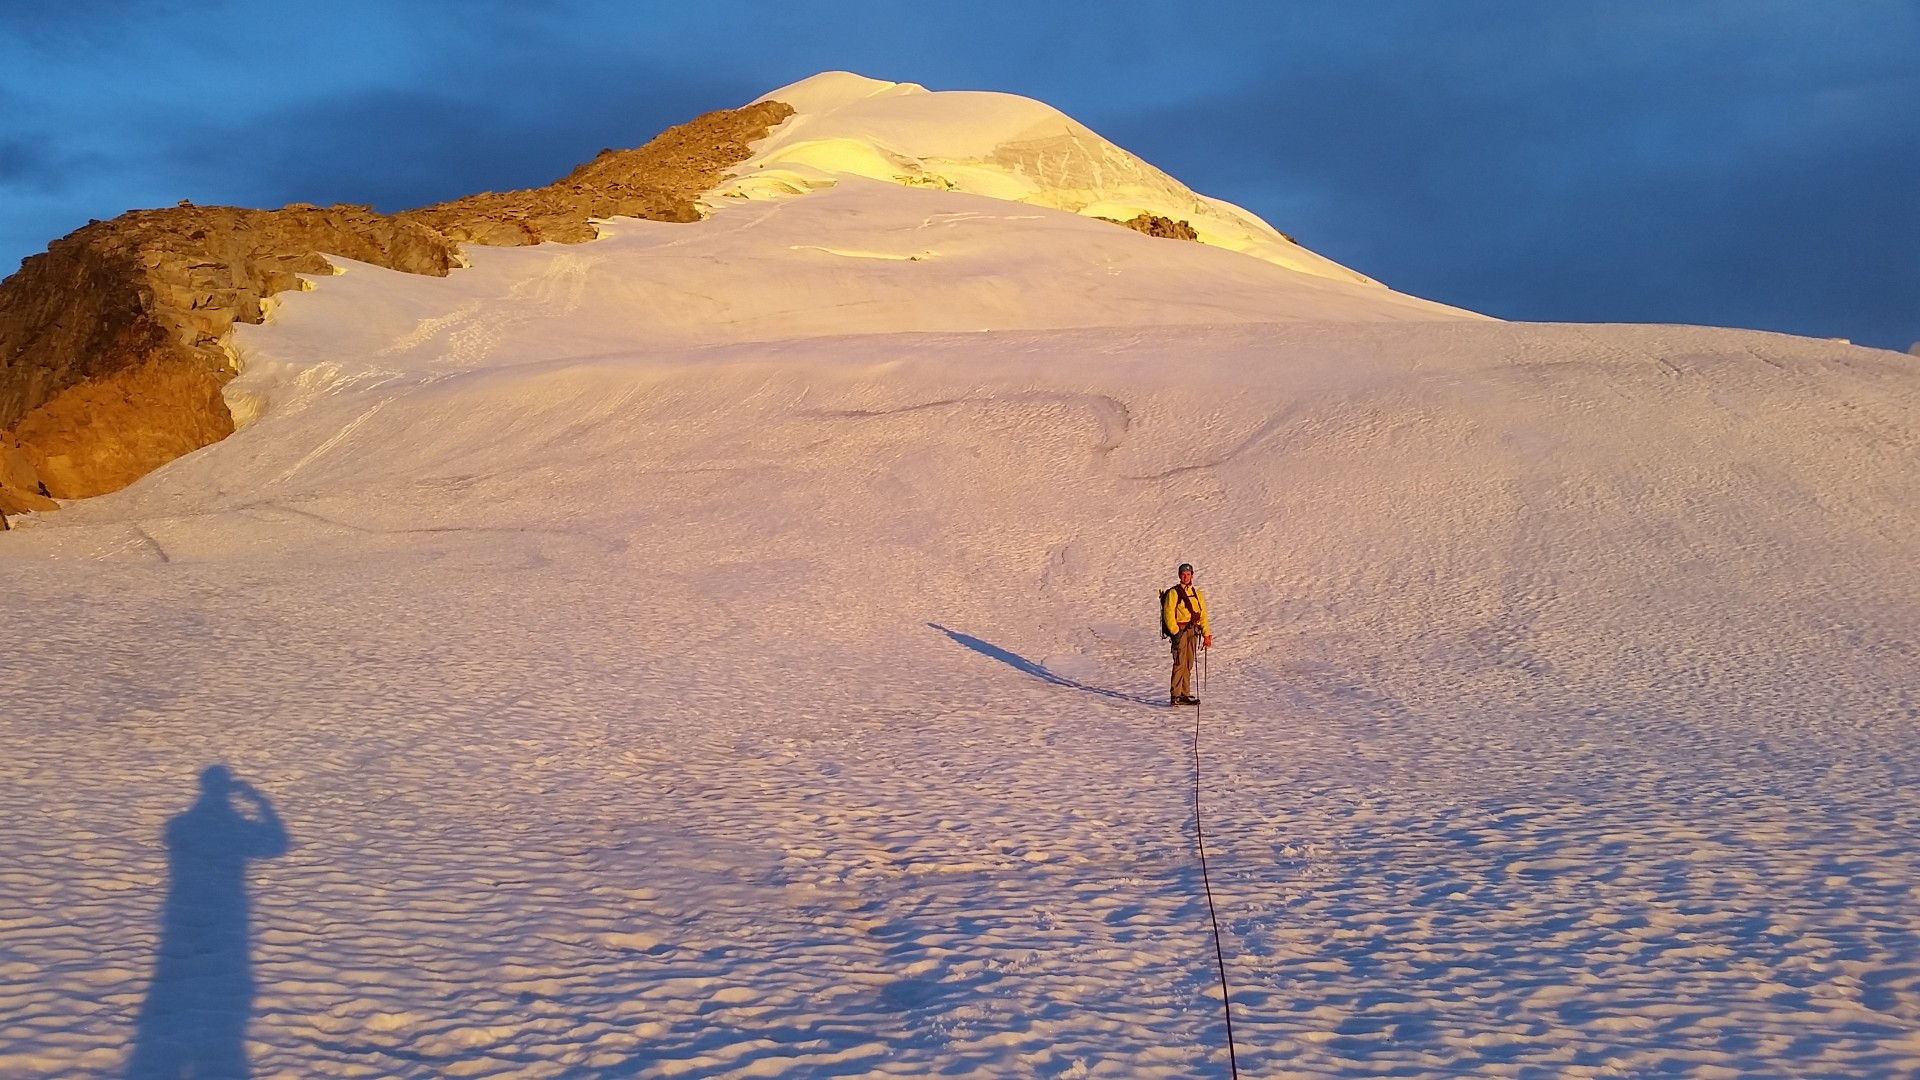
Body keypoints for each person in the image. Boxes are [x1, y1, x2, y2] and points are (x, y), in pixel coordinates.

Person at [1163, 562, 1211, 706]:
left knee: (1188, 662)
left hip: (1193, 631)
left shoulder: (1197, 594)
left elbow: (1203, 615)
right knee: (1179, 661)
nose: (1186, 577)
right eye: (1183, 574)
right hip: (1181, 631)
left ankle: (1185, 693)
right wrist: (1175, 631)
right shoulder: (1173, 593)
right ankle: (1176, 694)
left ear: (1192, 576)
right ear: (1179, 576)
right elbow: (1168, 613)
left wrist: (1206, 634)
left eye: (1188, 574)